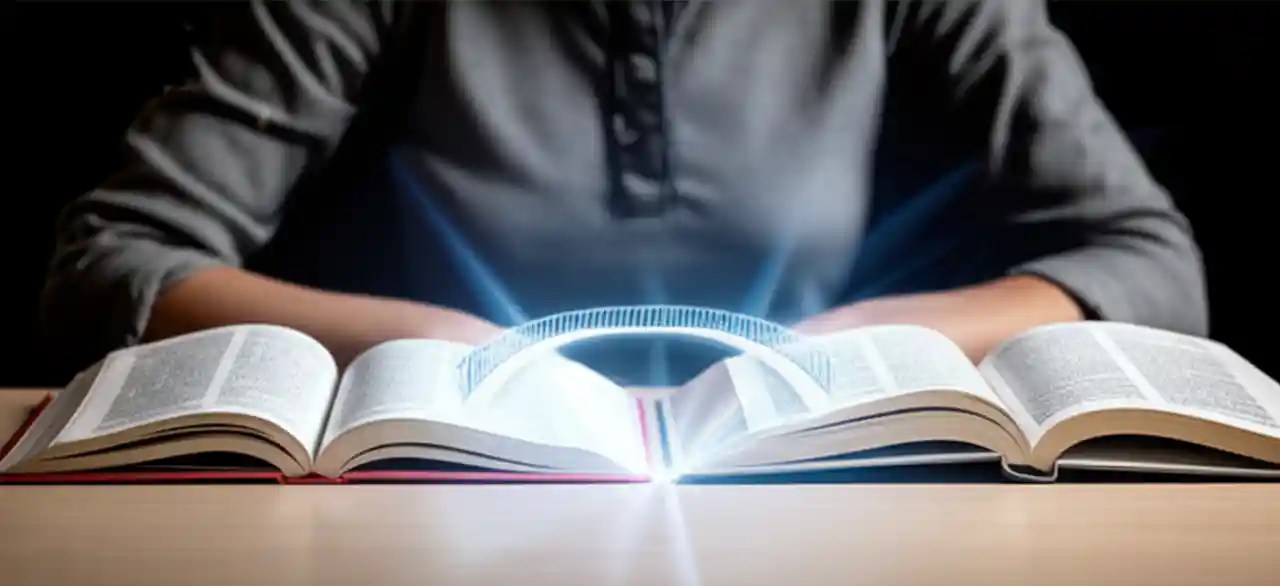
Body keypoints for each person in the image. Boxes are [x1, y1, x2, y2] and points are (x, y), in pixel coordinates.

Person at [44, 0, 1206, 373]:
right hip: (444, 512)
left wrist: (863, 347)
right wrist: (438, 352)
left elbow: (1148, 263)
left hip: (824, 514)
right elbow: (112, 261)